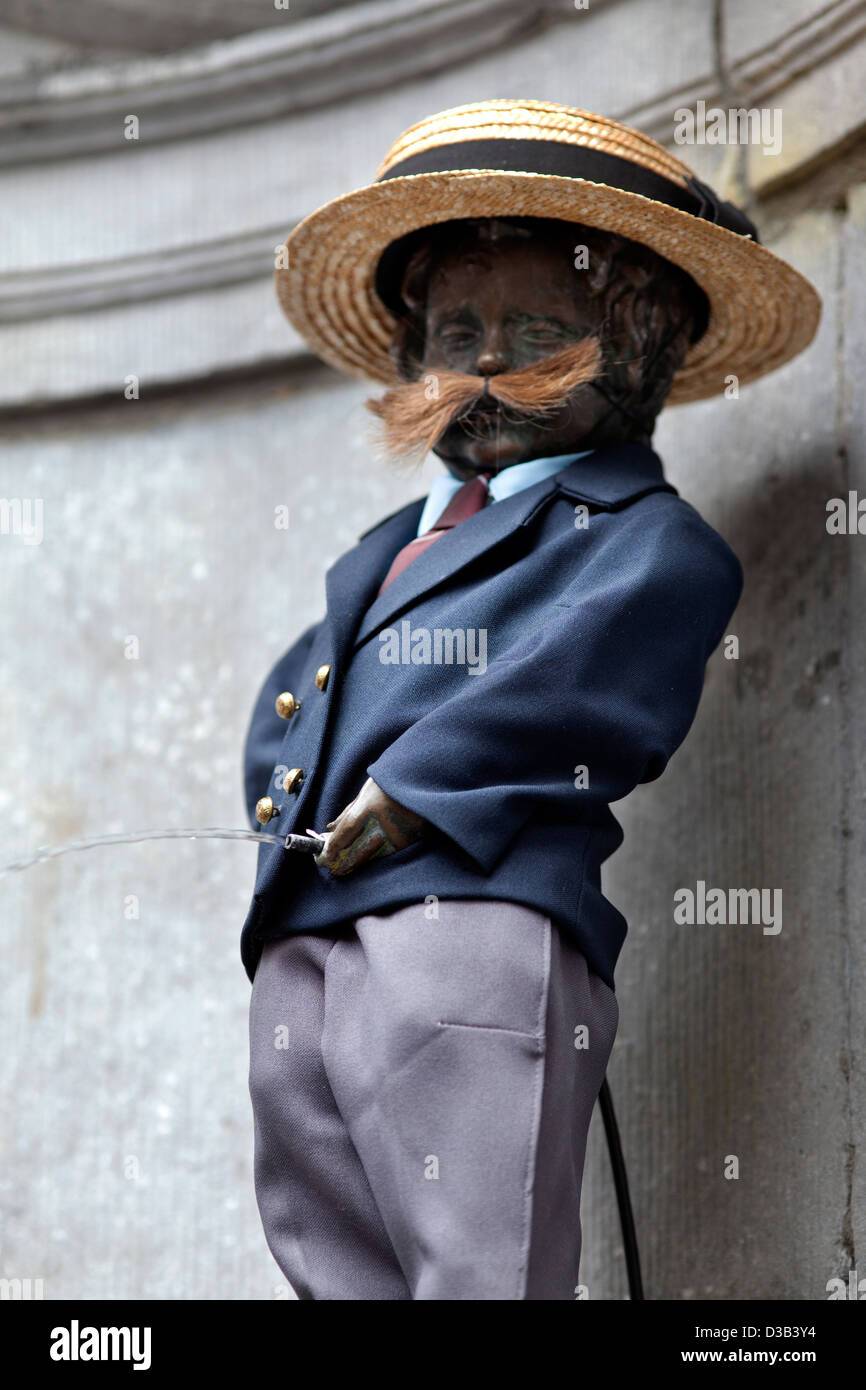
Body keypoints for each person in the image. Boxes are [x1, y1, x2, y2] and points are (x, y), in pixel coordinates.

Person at [242, 100, 821, 1300]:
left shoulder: (642, 541)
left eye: (535, 331)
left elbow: (580, 688)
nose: (487, 362)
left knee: (478, 1259)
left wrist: (413, 788)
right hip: (309, 926)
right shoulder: (384, 547)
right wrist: (276, 797)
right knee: (328, 1251)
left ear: (636, 346)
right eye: (458, 331)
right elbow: (302, 696)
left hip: (471, 922)